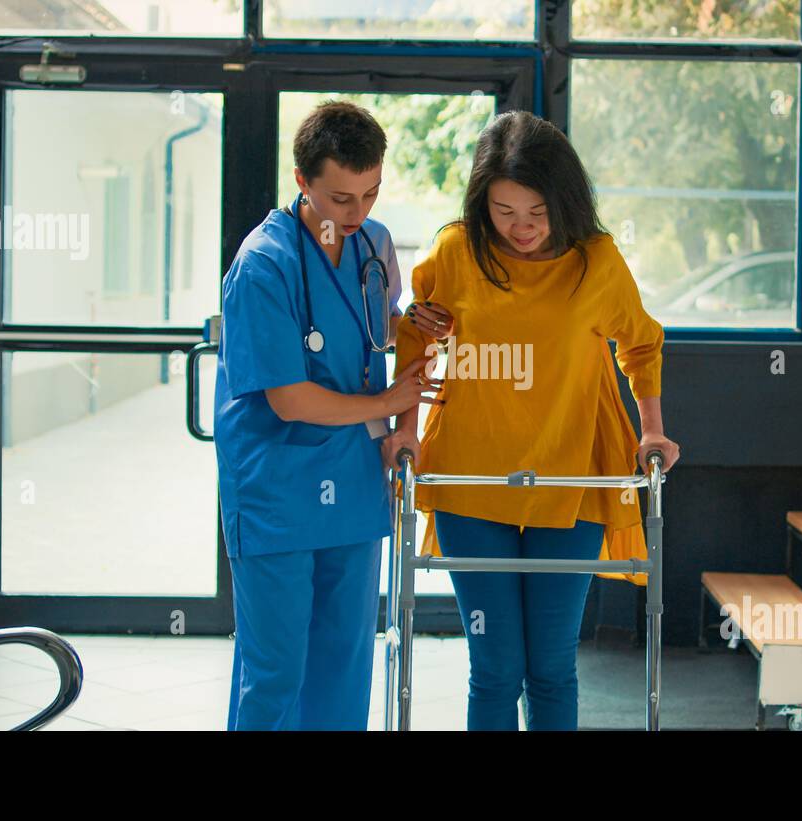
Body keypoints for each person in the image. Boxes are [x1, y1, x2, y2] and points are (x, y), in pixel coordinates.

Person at [389, 110, 680, 731]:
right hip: (473, 478)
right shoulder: (456, 251)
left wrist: (651, 428)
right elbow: (414, 336)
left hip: (571, 479)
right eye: (503, 211)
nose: (521, 228)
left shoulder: (597, 262)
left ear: (564, 199)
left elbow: (642, 341)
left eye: (537, 211)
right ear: (481, 204)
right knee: (494, 667)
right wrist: (407, 428)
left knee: (550, 666)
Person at [214, 101, 445, 730]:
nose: (359, 212)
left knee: (344, 664)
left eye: (371, 193)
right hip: (277, 486)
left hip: (352, 477)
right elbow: (288, 397)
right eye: (342, 198)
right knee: (277, 669)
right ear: (302, 182)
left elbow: (361, 331)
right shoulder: (264, 265)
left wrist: (406, 325)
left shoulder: (373, 245)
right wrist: (390, 405)